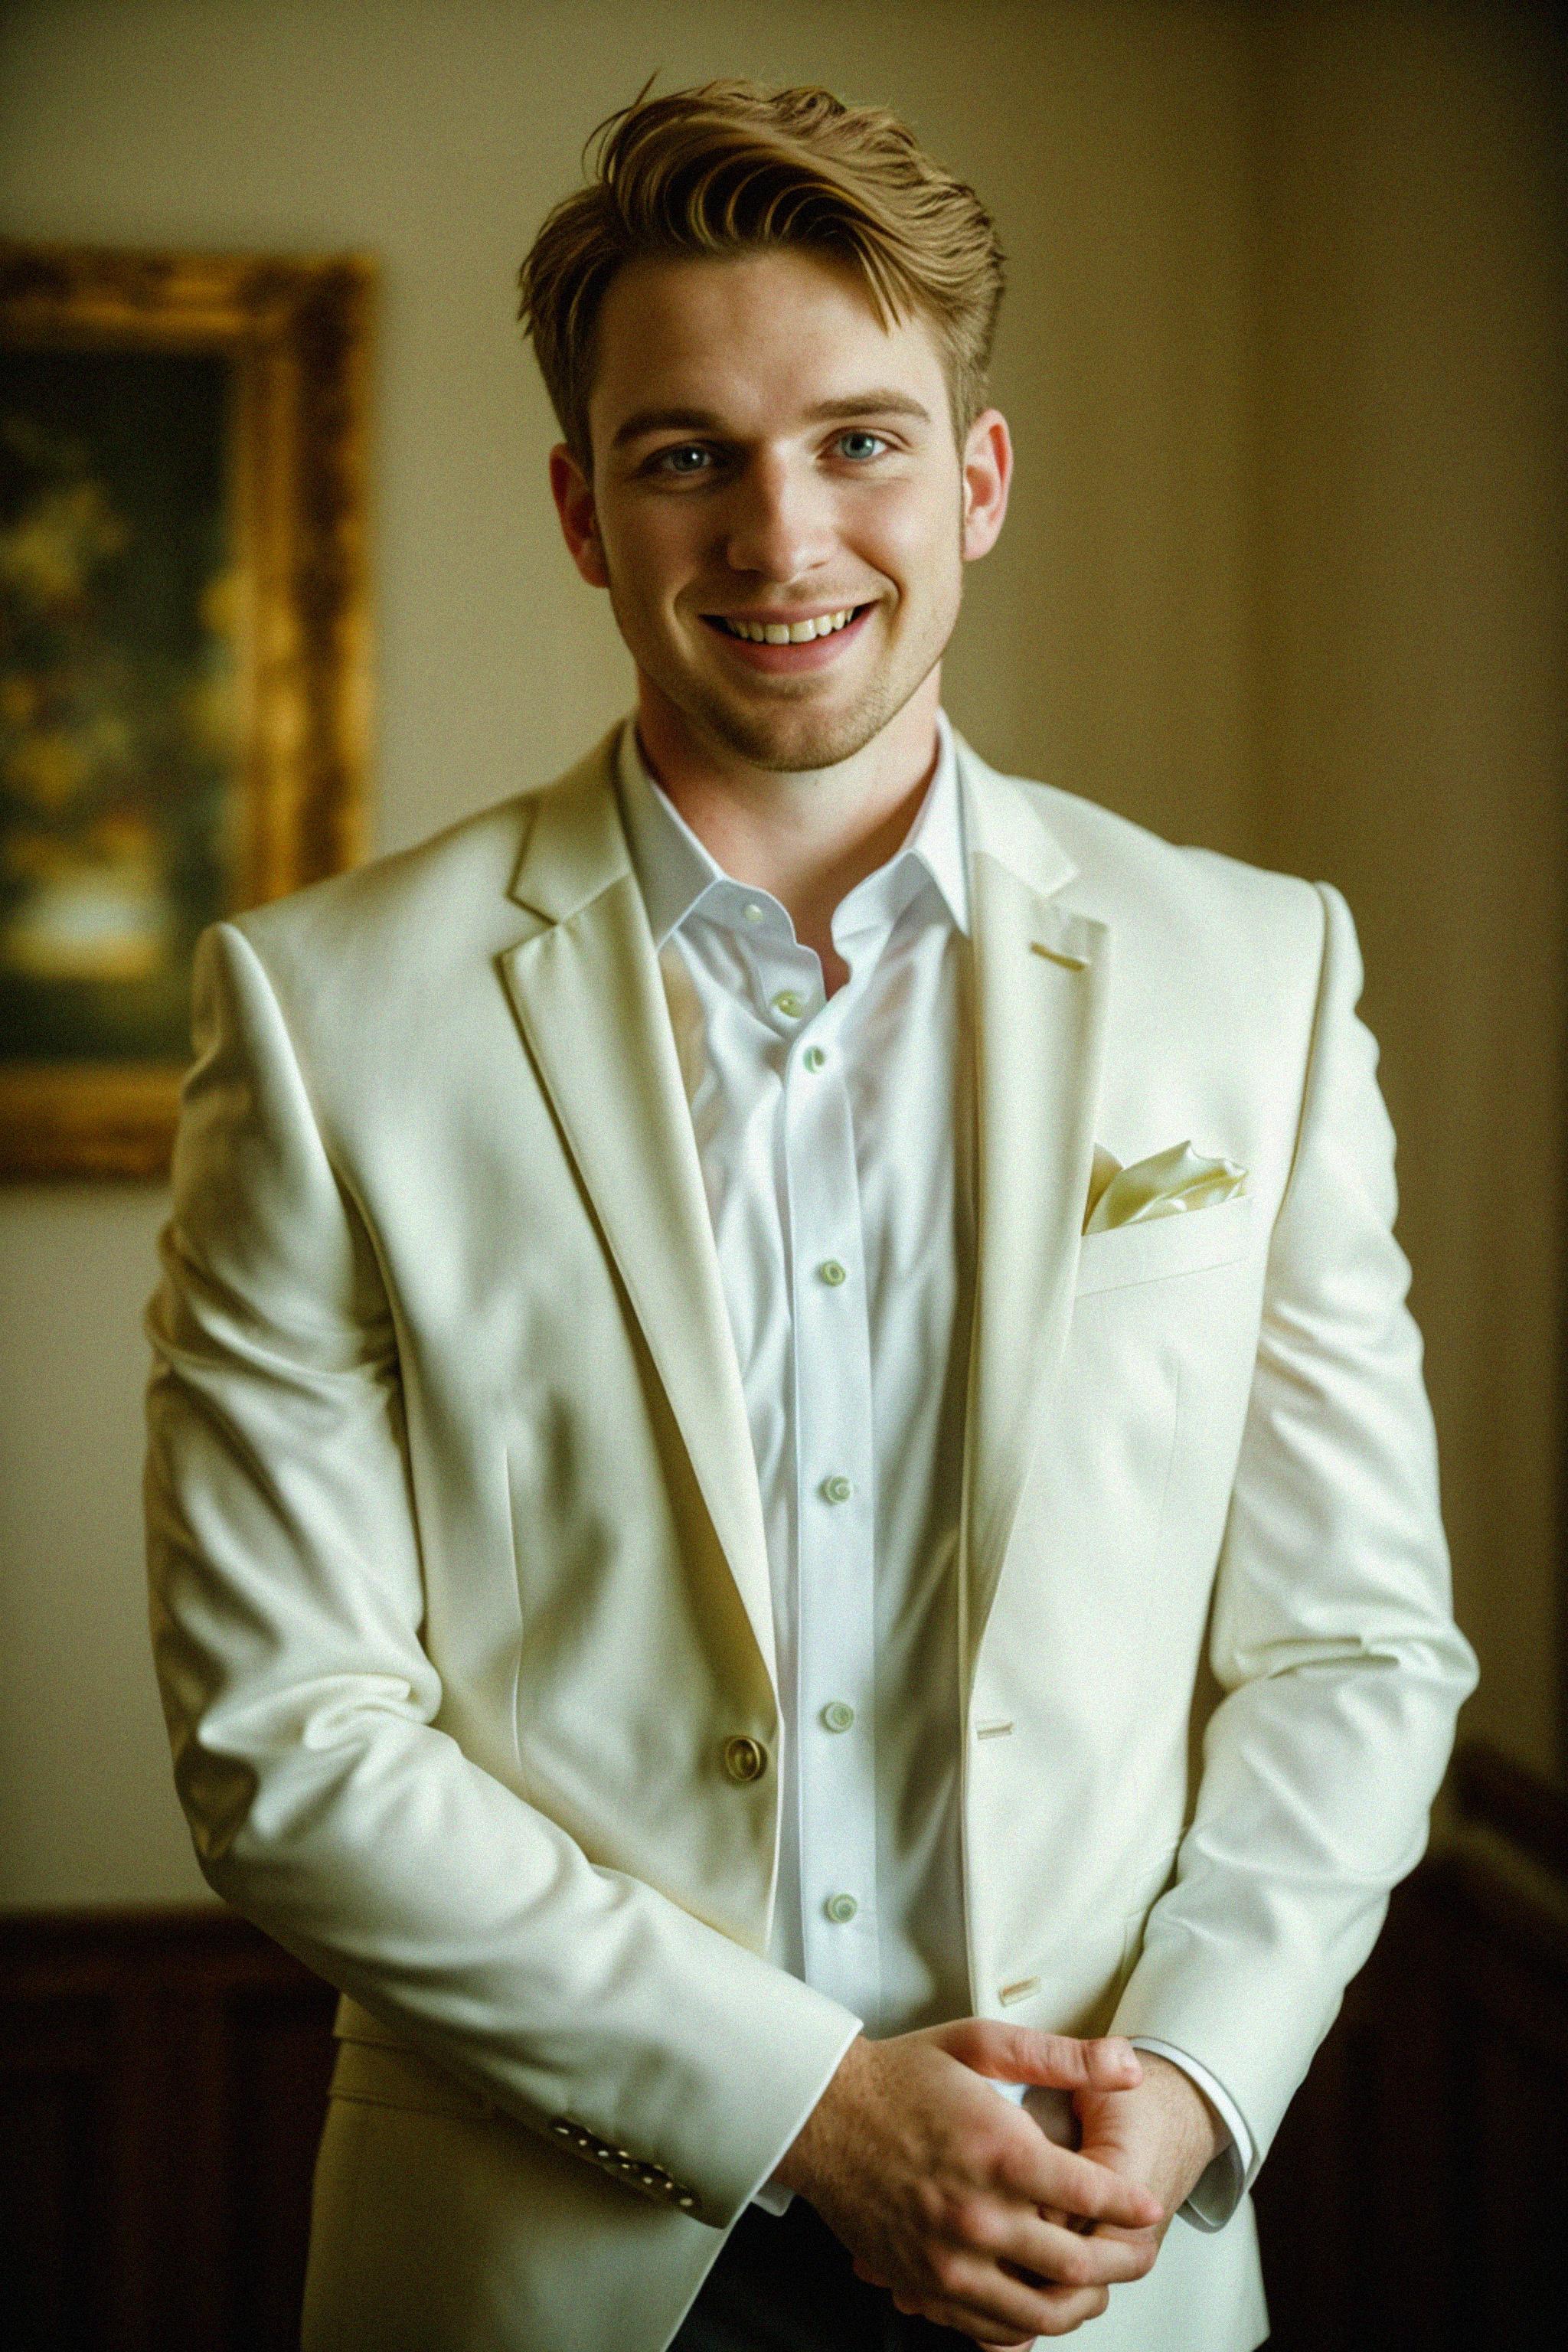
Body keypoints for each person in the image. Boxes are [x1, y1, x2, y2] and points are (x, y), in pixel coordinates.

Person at [143, 79, 1477, 2352]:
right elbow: (288, 1730)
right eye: (689, 455)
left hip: (1103, 2254)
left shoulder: (1260, 975)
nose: (781, 534)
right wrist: (812, 2111)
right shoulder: (321, 1016)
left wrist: (1184, 2075)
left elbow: (1353, 1648)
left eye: (860, 439)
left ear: (977, 478)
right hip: (532, 2272)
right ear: (584, 508)